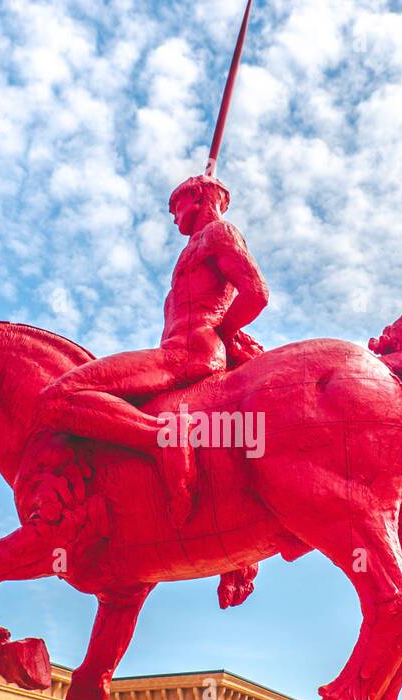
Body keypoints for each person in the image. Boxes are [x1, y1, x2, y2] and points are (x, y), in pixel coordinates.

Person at [37, 175, 269, 524]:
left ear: (197, 197)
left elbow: (256, 294)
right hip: (181, 351)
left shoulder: (219, 234)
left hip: (187, 354)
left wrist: (220, 331)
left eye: (176, 207)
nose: (174, 217)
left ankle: (163, 439)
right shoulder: (194, 248)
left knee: (58, 397)